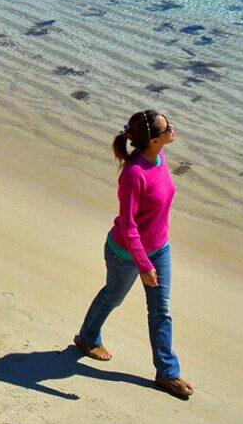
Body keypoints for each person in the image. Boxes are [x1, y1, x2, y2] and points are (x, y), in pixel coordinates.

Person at [73, 109, 194, 400]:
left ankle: (167, 373)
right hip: (125, 253)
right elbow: (128, 227)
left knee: (161, 311)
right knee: (114, 296)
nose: (172, 130)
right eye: (166, 129)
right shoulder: (132, 174)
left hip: (159, 249)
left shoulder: (160, 158)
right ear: (153, 140)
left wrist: (155, 250)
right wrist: (143, 264)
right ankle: (87, 337)